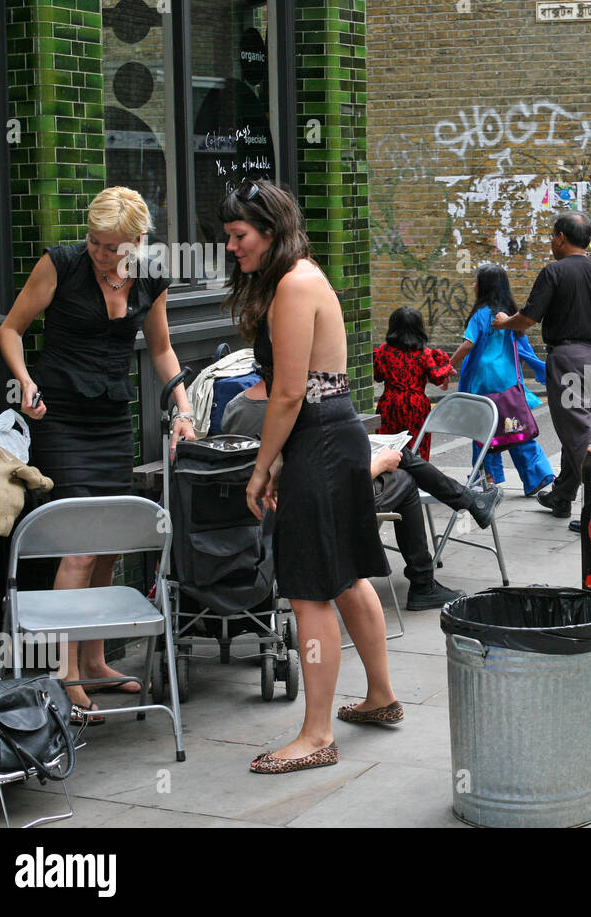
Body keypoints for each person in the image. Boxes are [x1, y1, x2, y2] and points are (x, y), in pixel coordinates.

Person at [0, 186, 196, 725]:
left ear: (138, 241)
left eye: (112, 247)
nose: (101, 254)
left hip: (112, 417)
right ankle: (64, 677)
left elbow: (160, 348)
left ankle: (95, 660)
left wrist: (182, 405)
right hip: (59, 417)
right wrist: (25, 380)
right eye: (95, 242)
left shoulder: (151, 276)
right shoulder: (61, 264)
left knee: (108, 541)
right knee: (79, 547)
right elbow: (11, 328)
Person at [221, 179, 396, 774]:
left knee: (308, 590)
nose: (232, 248)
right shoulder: (303, 275)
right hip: (332, 435)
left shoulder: (293, 285)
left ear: (269, 232)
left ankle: (316, 734)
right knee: (344, 576)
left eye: (239, 236)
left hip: (317, 439)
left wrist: (261, 467)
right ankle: (381, 697)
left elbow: (289, 392)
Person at [222, 378, 501, 610]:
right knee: (403, 476)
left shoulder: (235, 406)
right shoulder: (303, 402)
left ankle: (466, 503)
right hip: (319, 503)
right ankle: (424, 581)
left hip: (265, 511)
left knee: (400, 458)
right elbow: (324, 478)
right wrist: (378, 464)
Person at [491, 211, 591, 520]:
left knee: (578, 433)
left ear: (561, 237)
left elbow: (529, 317)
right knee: (587, 429)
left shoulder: (554, 272)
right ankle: (562, 496)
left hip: (568, 360)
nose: (551, 242)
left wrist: (505, 322)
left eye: (552, 236)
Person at [448, 264, 554, 495]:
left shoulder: (480, 314)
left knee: (483, 431)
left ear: (484, 287)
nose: (473, 285)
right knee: (515, 429)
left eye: (476, 281)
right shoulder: (511, 315)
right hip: (508, 384)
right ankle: (538, 475)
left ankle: (486, 477)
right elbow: (522, 348)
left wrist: (448, 364)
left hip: (483, 382)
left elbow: (468, 344)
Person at [373, 307, 454, 460]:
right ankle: (417, 480)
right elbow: (437, 379)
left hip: (389, 403)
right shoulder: (425, 353)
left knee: (387, 447)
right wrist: (446, 368)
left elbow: (378, 376)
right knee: (417, 446)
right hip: (416, 405)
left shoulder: (383, 351)